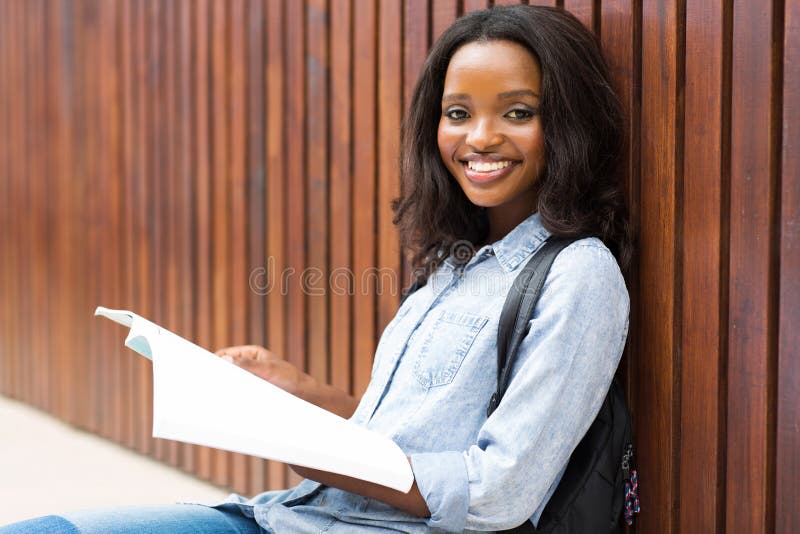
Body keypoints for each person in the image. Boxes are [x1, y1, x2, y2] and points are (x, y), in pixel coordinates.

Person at [1, 4, 632, 533]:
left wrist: (307, 448)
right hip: (292, 516)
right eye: (458, 113)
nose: (480, 137)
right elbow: (410, 441)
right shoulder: (453, 263)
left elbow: (499, 492)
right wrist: (297, 393)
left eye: (518, 112)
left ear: (567, 122)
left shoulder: (579, 275)